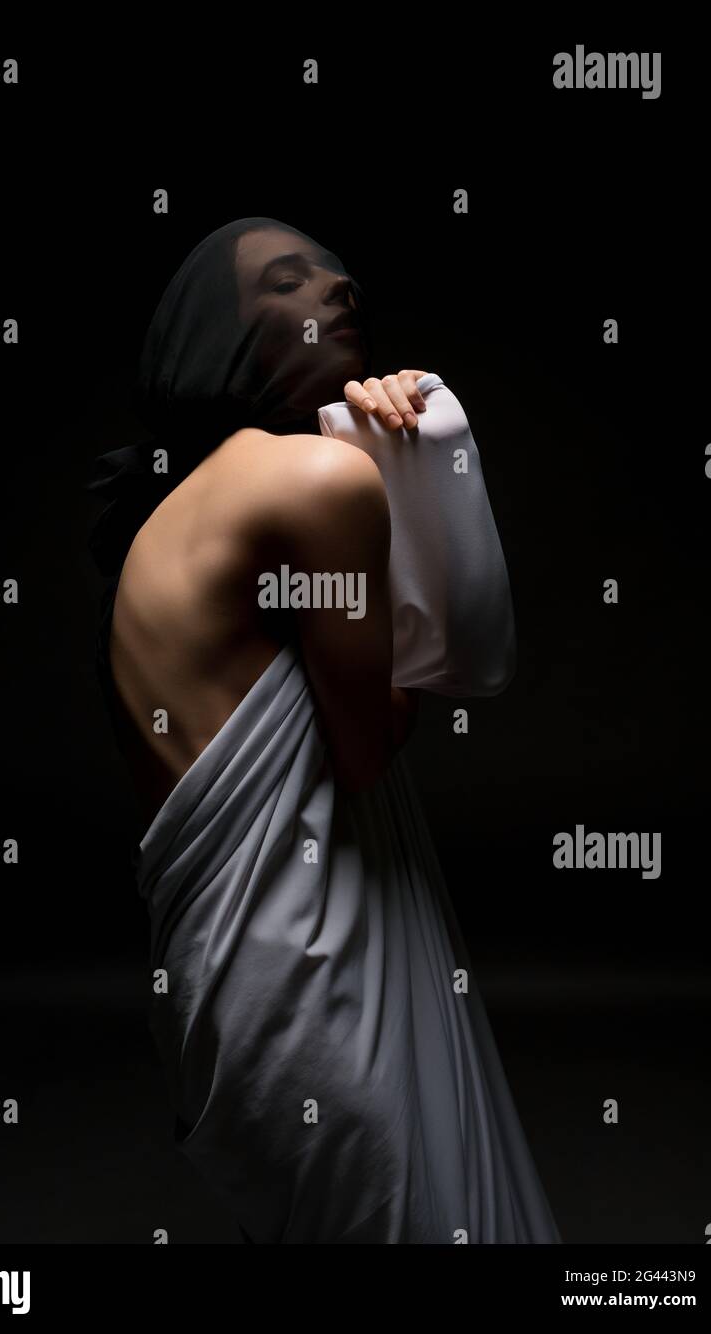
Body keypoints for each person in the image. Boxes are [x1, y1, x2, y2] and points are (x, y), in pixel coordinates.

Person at [87, 216, 562, 1244]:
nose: (337, 289)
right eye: (290, 281)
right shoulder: (317, 482)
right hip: (323, 975)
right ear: (224, 337)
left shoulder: (172, 519)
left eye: (339, 274)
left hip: (232, 987)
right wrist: (414, 475)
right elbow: (371, 742)